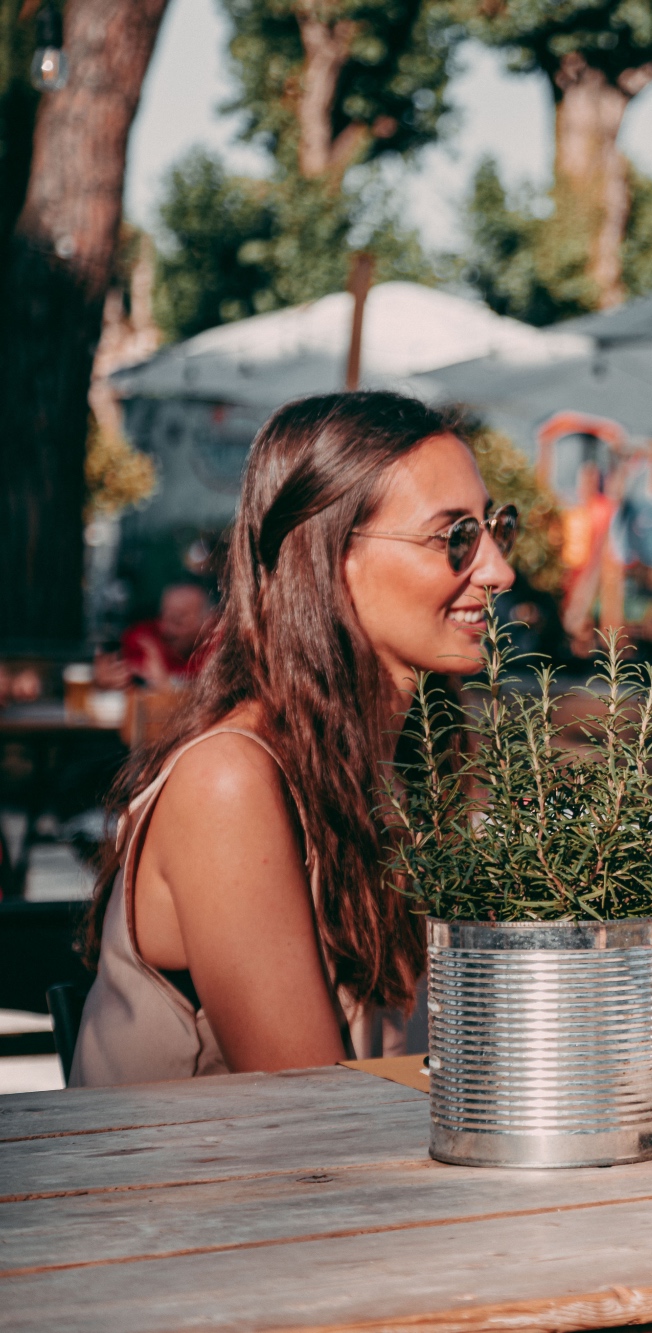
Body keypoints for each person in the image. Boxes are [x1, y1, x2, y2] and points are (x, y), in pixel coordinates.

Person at [71, 392, 518, 1085]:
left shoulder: (403, 766)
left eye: (496, 528)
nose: (497, 571)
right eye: (455, 536)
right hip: (197, 1191)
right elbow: (317, 1112)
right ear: (330, 555)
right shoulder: (231, 781)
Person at [110, 582, 217, 687]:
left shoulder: (221, 646)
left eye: (178, 620)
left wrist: (166, 683)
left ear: (208, 621)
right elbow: (117, 669)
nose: (167, 629)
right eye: (164, 617)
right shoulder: (146, 638)